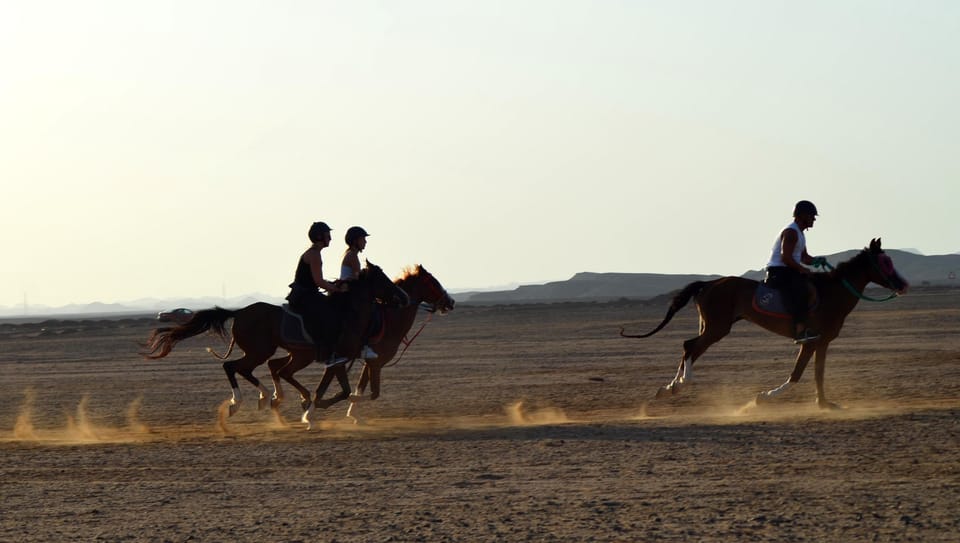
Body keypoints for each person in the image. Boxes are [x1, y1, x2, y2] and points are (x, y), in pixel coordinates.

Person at [286, 221, 350, 366]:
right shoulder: (314, 255)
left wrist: (333, 285)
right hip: (305, 296)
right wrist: (337, 289)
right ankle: (327, 355)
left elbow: (318, 280)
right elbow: (319, 282)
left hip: (308, 293)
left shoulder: (314, 253)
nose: (331, 238)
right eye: (328, 235)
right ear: (320, 236)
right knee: (330, 315)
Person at [765, 200, 826, 344]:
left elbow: (804, 257)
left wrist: (817, 261)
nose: (814, 219)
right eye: (812, 216)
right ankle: (800, 331)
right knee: (802, 291)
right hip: (779, 270)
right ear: (803, 216)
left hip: (789, 269)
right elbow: (785, 258)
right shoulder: (791, 232)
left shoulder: (800, 233)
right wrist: (802, 269)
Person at [340, 226, 379, 360]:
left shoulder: (351, 254)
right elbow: (358, 279)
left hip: (349, 294)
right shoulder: (352, 256)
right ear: (356, 240)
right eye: (363, 239)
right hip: (349, 296)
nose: (365, 242)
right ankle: (365, 345)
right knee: (371, 313)